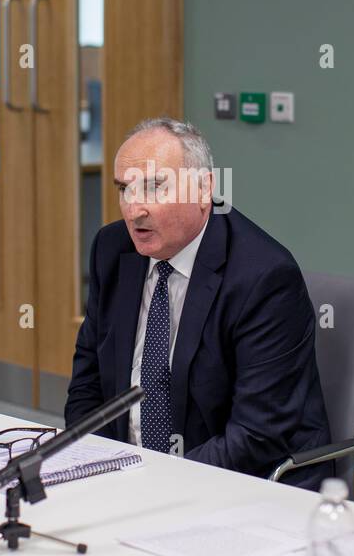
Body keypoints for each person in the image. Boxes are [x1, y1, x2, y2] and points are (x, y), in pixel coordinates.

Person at [66, 117, 334, 489]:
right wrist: (92, 462)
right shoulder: (112, 250)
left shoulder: (265, 277)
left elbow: (256, 436)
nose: (133, 209)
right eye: (124, 189)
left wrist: (156, 484)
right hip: (126, 479)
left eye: (154, 188)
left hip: (239, 483)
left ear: (204, 188)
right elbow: (87, 380)